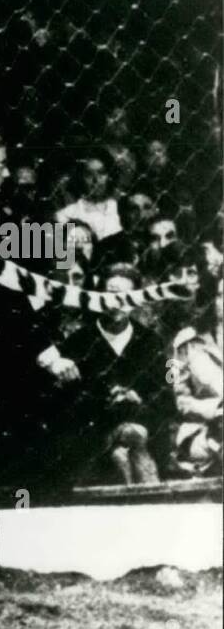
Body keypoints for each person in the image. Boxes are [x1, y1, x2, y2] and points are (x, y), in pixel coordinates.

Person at [56, 264, 172, 484]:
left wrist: (138, 400)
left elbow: (167, 399)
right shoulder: (78, 343)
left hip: (143, 434)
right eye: (111, 294)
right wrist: (104, 403)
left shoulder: (152, 343)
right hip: (93, 444)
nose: (118, 302)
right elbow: (67, 407)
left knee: (137, 437)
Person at [169, 279, 223, 476]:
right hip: (202, 430)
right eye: (222, 295)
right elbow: (177, 396)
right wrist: (215, 410)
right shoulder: (185, 342)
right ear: (213, 299)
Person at [56, 152, 122, 240]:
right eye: (89, 174)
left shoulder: (120, 207)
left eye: (101, 173)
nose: (96, 179)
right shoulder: (66, 215)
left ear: (110, 176)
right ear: (81, 178)